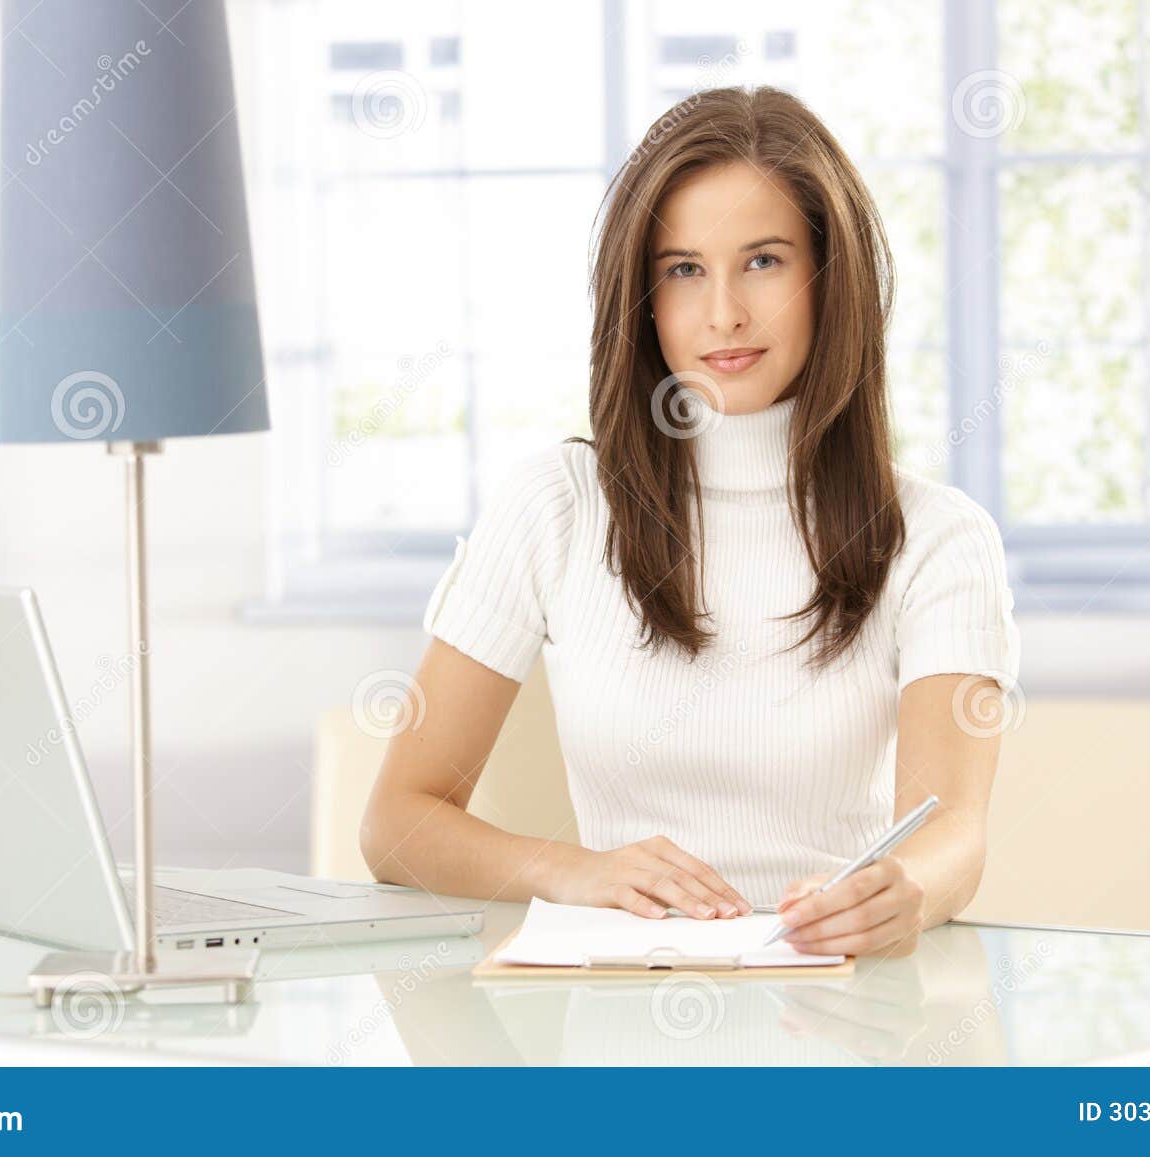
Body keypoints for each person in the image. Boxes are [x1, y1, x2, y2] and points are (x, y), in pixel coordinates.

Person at [361, 85, 1021, 958]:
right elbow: (398, 824)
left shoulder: (939, 537)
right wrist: (574, 870)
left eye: (764, 261)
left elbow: (955, 837)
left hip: (833, 1013)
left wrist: (902, 892)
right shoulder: (553, 506)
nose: (724, 315)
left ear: (833, 278)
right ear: (641, 296)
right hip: (619, 1022)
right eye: (683, 269)